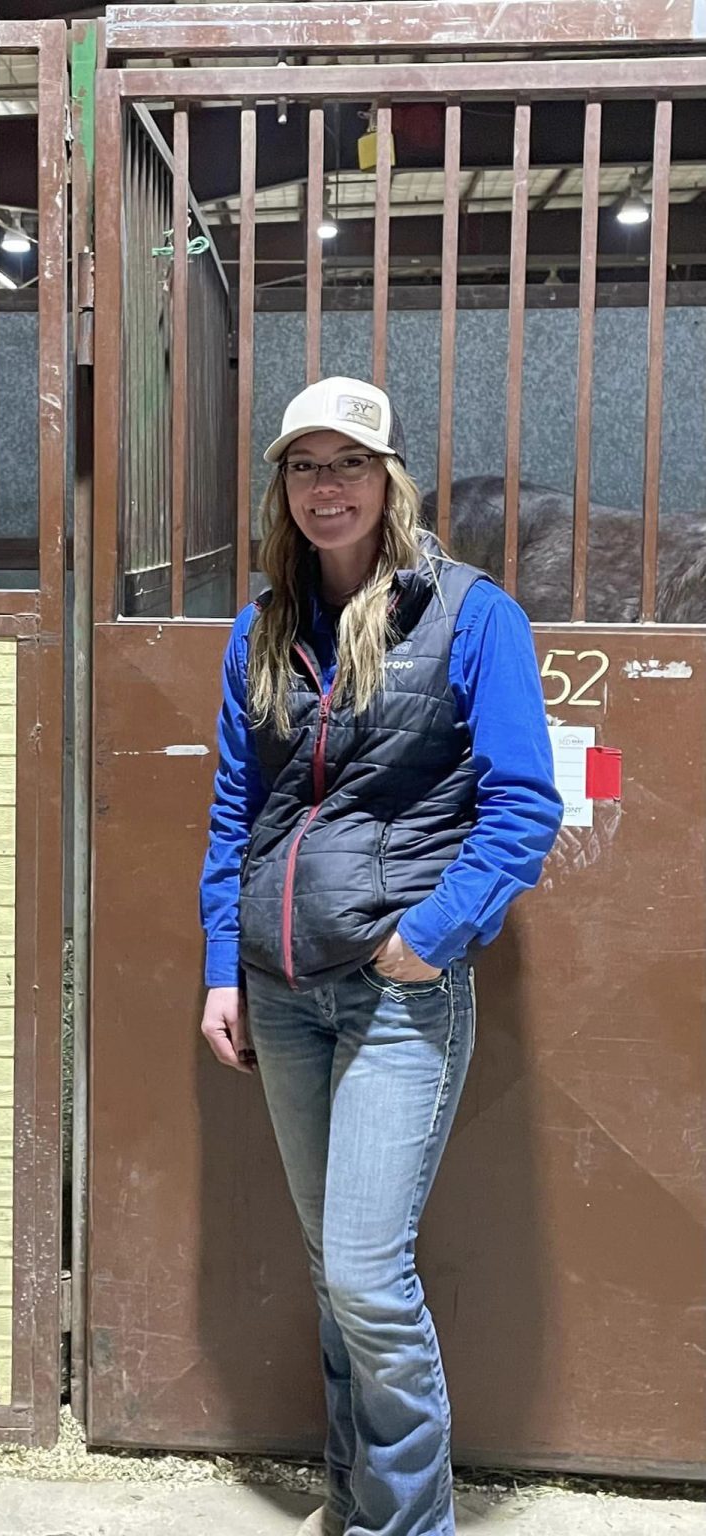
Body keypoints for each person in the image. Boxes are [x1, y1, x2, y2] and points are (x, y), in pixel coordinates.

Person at [198, 378, 561, 1536]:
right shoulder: (259, 630)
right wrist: (224, 966)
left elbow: (523, 807)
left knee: (362, 1271)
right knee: (329, 1269)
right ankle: (356, 1503)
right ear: (281, 489)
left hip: (398, 992)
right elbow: (233, 813)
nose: (325, 488)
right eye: (303, 467)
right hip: (283, 989)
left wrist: (430, 936)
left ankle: (408, 1524)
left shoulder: (471, 615)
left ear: (388, 479)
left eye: (347, 465)